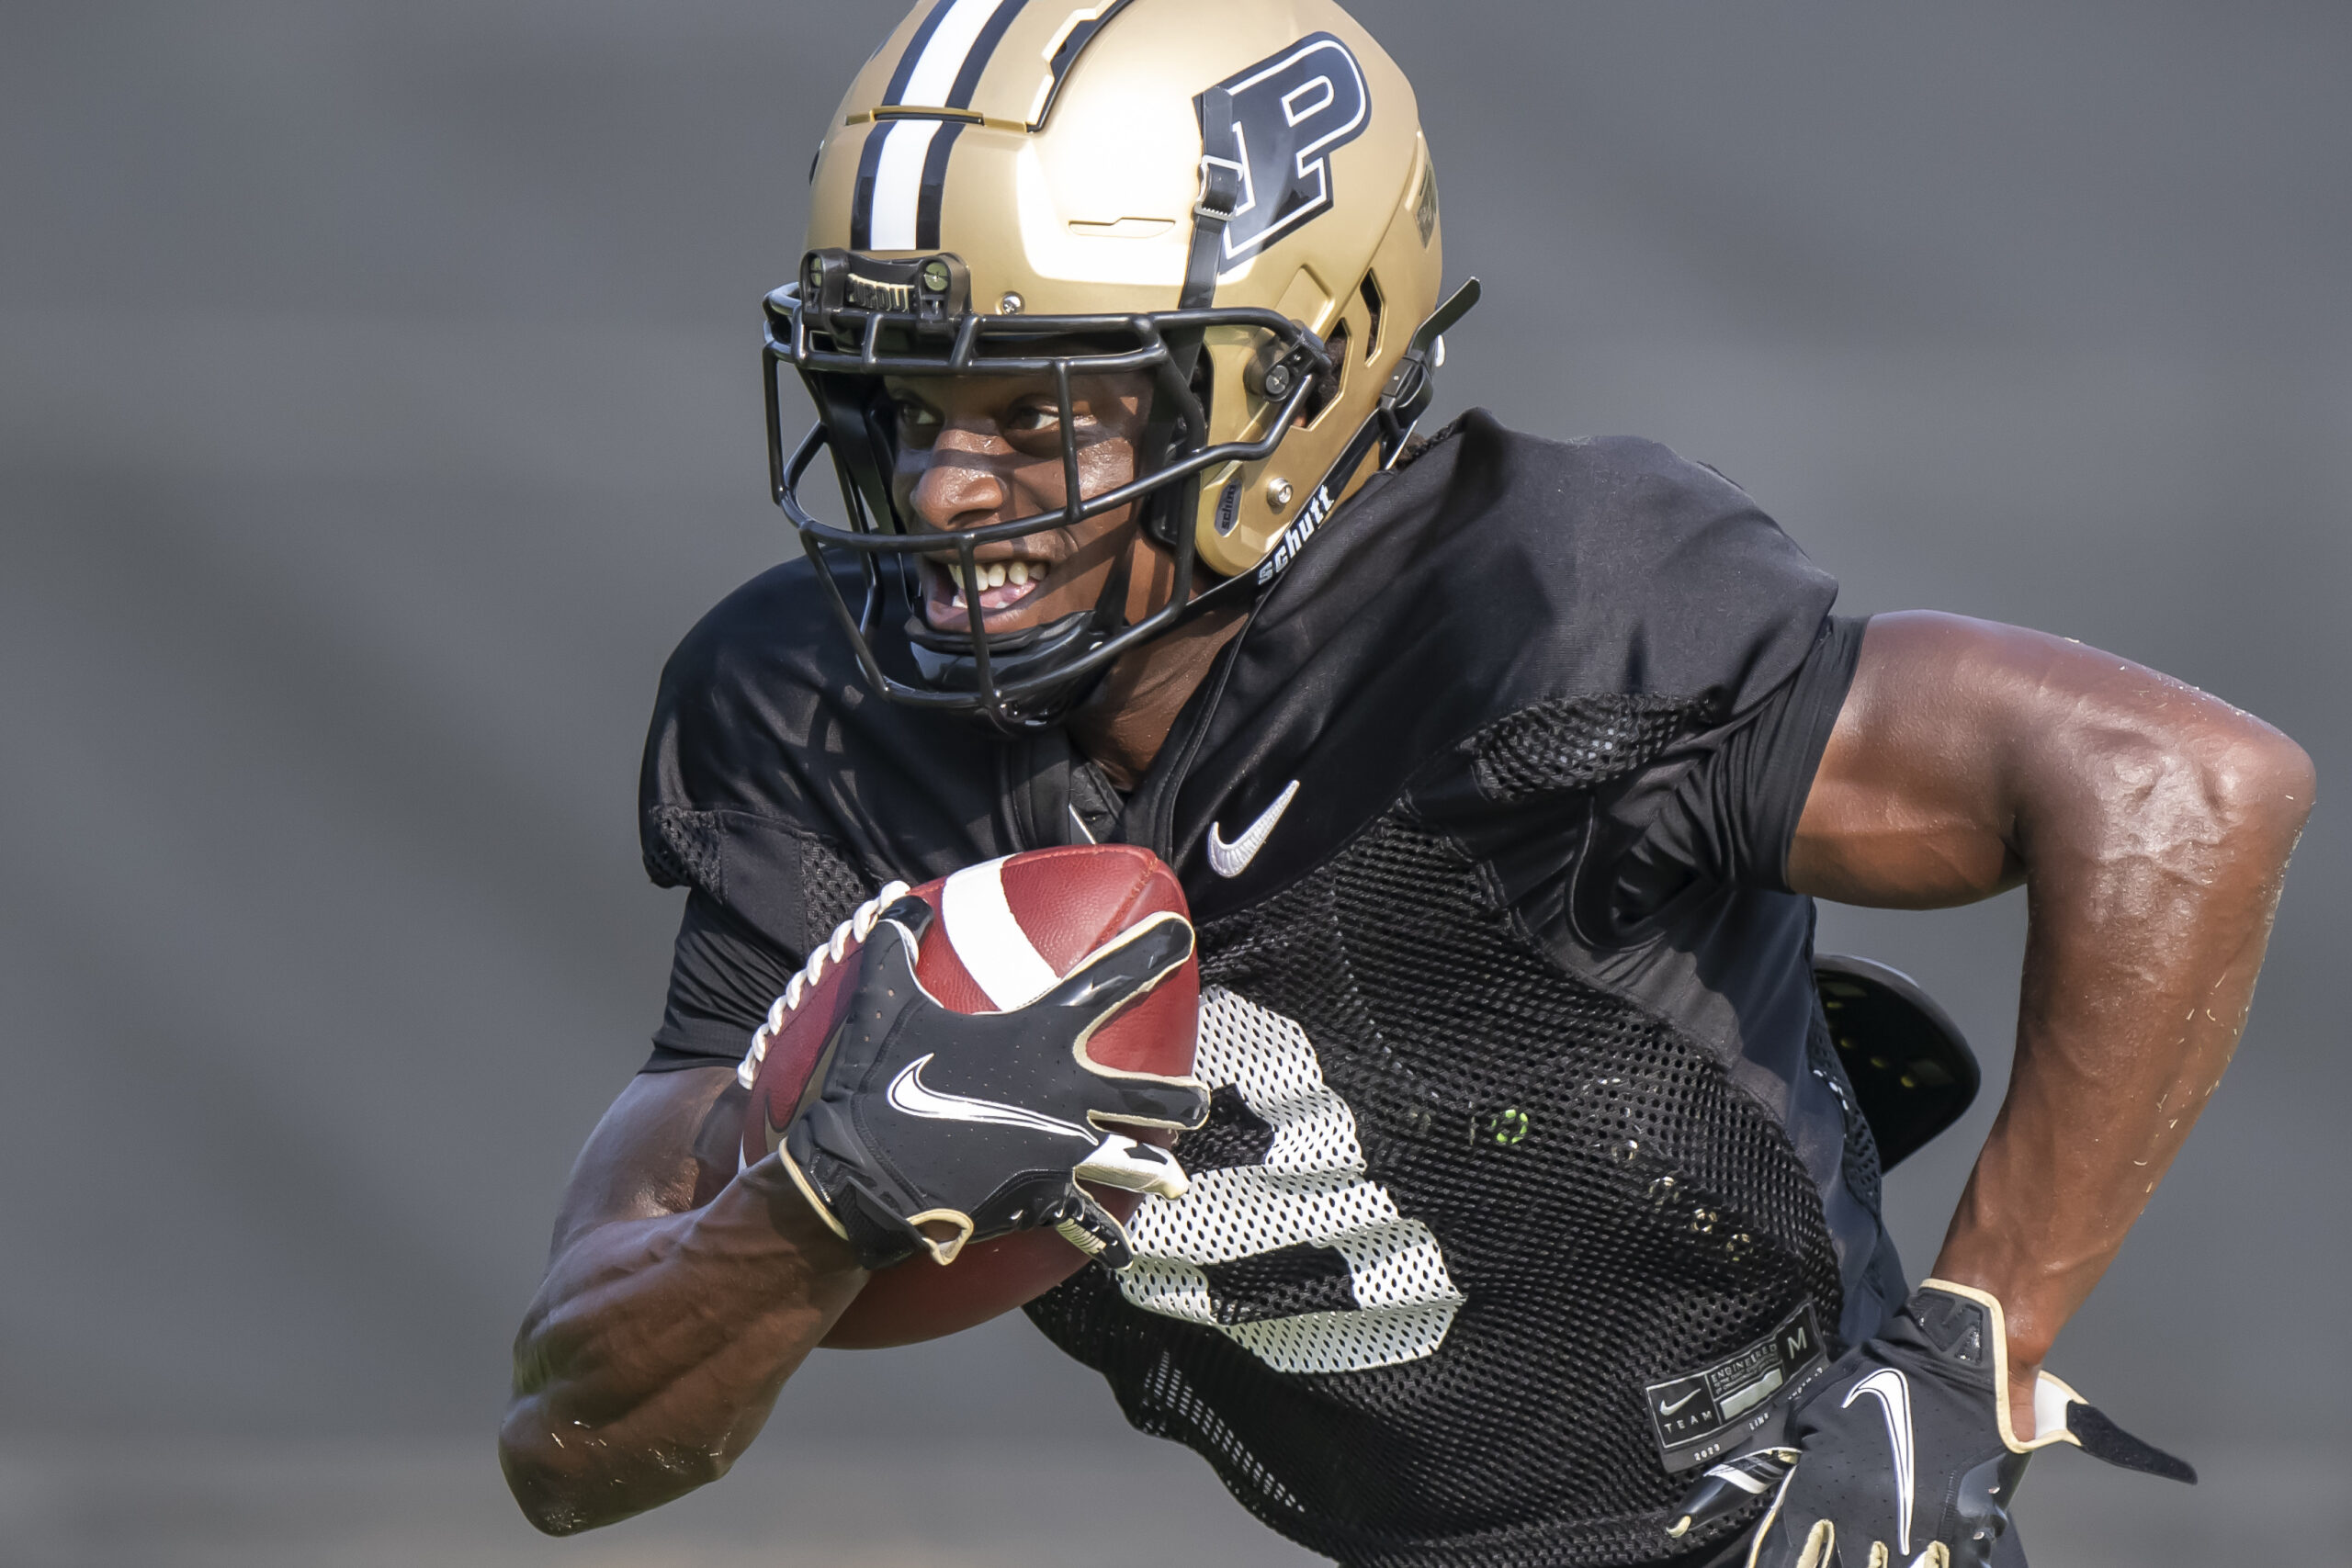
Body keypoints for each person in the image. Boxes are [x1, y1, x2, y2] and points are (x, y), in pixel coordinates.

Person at [497, 3, 2314, 1563]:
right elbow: (574, 1439)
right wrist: (806, 1205)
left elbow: (2186, 785)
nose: (949, 488)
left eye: (1037, 411)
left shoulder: (1533, 617)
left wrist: (1966, 1361)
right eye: (900, 404)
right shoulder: (818, 714)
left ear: (1284, 381)